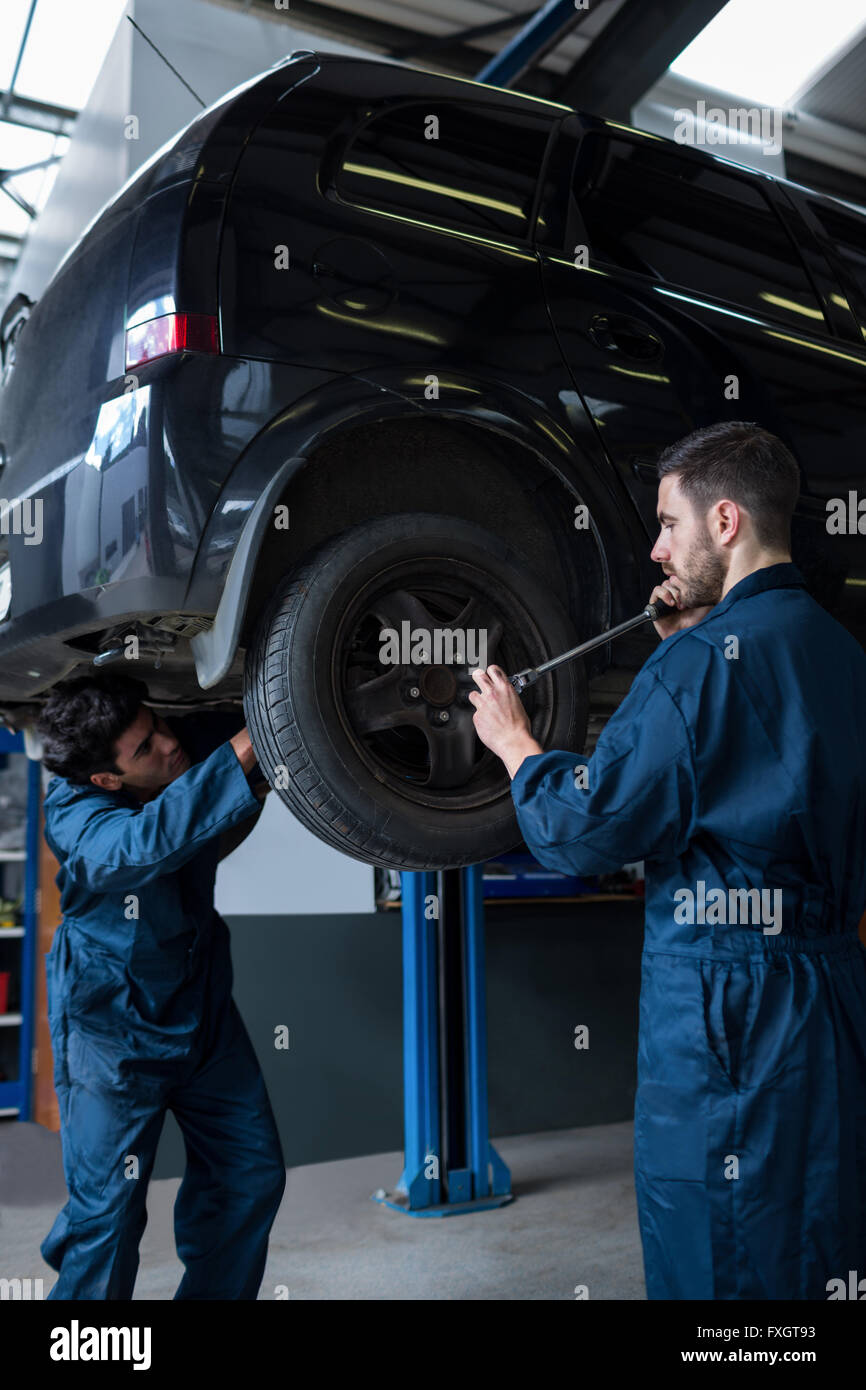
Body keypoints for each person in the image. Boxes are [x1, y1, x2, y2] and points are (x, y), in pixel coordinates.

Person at [469, 420, 866, 1300]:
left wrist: (518, 751)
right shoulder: (844, 656)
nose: (655, 550)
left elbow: (590, 828)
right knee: (820, 1225)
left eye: (667, 524)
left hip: (730, 1008)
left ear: (725, 521)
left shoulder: (694, 666)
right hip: (835, 993)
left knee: (721, 1244)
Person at [36, 673, 285, 1299]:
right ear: (105, 780)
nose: (169, 746)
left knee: (248, 1176)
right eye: (145, 749)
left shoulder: (177, 743)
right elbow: (139, 845)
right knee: (107, 1213)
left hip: (200, 1009)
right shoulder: (75, 818)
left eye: (159, 725)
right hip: (111, 1029)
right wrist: (250, 747)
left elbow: (272, 721)